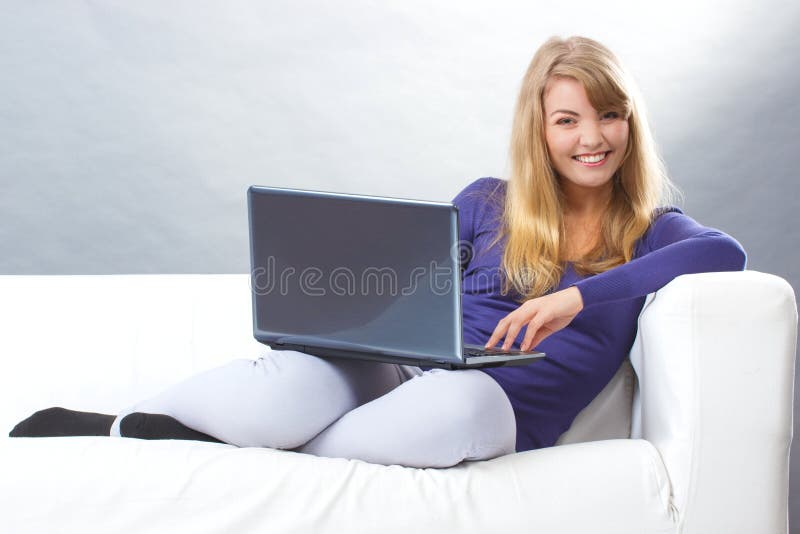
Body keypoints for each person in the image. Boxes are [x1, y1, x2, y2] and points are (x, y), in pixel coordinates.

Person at [10, 35, 746, 468]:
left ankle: (218, 448)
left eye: (610, 116)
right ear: (539, 131)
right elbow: (411, 299)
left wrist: (576, 294)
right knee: (294, 381)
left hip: (498, 405)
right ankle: (120, 426)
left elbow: (727, 253)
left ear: (630, 124)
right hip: (410, 369)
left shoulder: (654, 230)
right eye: (568, 120)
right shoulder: (487, 200)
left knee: (453, 400)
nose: (593, 138)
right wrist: (342, 331)